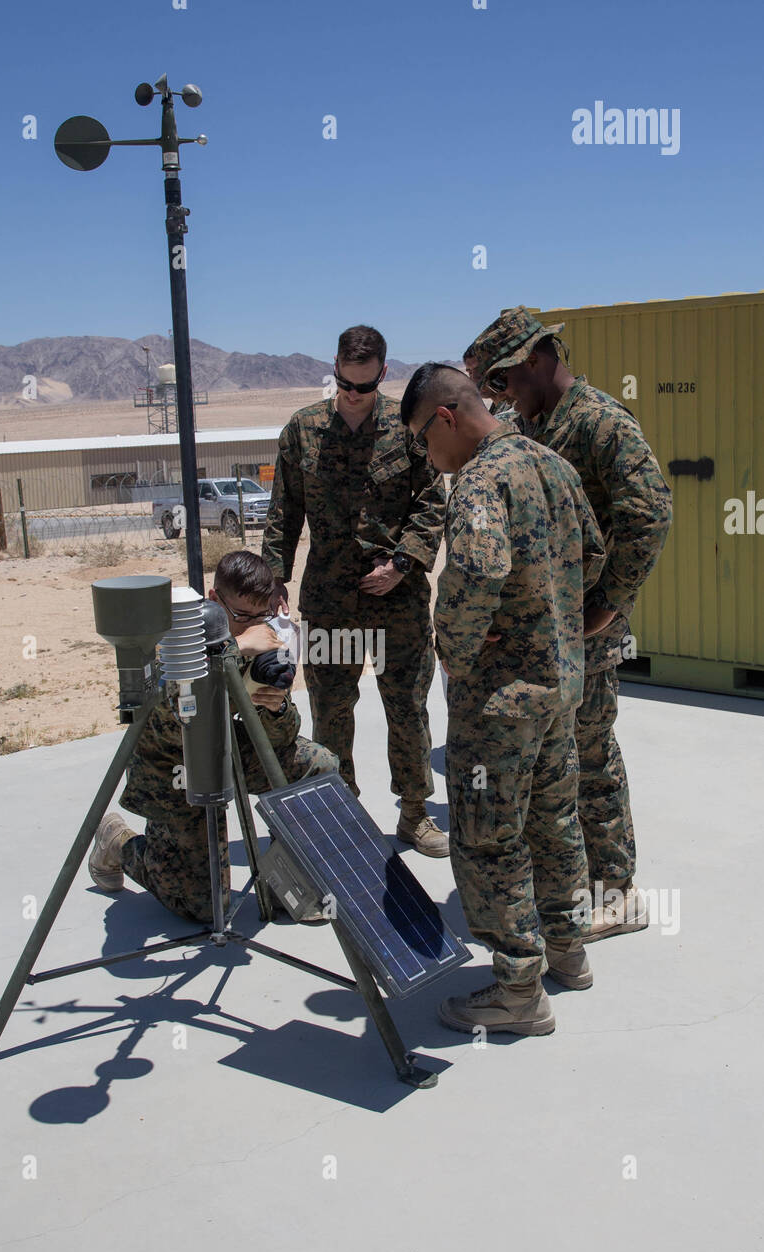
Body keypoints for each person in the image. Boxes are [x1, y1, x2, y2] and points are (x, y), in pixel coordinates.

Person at [400, 364, 606, 1035]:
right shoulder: (551, 465)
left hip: (501, 701)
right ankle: (568, 953)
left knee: (491, 837)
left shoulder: (482, 480)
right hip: (560, 686)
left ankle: (518, 986)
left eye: (423, 443)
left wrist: (456, 654)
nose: (429, 460)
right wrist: (554, 619)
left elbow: (478, 571)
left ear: (446, 417)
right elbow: (595, 554)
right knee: (554, 822)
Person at [463, 308, 672, 939]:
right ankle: (571, 883)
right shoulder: (532, 425)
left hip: (585, 629)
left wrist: (608, 601)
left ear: (535, 357)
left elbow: (650, 513)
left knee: (589, 754)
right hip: (545, 631)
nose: (498, 398)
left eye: (501, 381)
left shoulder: (599, 421)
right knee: (555, 762)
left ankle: (617, 891)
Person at [261, 324, 449, 856]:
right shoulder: (303, 429)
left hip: (398, 601)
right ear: (335, 369)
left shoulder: (409, 429)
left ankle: (415, 814)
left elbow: (433, 502)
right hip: (331, 602)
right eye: (344, 382)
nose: (352, 394)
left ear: (383, 375)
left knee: (407, 707)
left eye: (364, 387)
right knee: (331, 709)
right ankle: (337, 814)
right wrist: (275, 577)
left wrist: (404, 563)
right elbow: (283, 511)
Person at [88, 550, 338, 922]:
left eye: (261, 615)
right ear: (213, 598)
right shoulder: (171, 635)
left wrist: (275, 708)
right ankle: (118, 843)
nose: (252, 626)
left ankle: (285, 881)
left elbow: (283, 738)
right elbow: (172, 720)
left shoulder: (265, 637)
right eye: (240, 616)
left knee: (318, 764)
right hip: (177, 767)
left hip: (228, 749)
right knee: (205, 906)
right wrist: (235, 651)